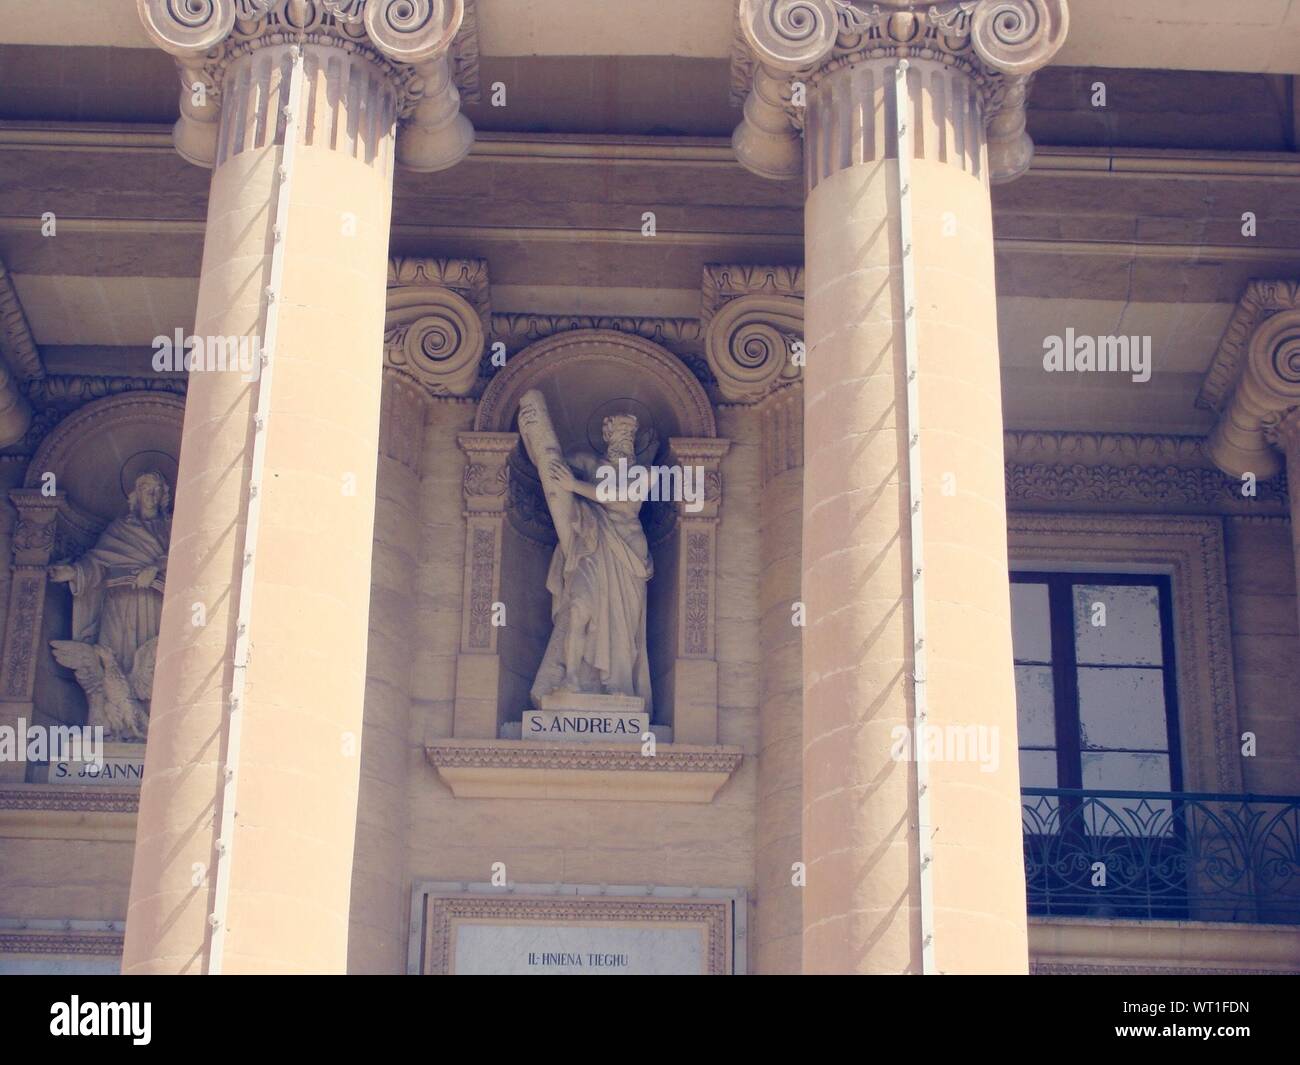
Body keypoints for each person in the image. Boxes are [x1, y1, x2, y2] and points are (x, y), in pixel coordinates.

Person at [48, 471, 172, 683]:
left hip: (153, 598)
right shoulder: (120, 527)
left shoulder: (172, 527)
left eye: (157, 489)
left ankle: (149, 708)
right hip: (117, 599)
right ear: (136, 493)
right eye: (146, 488)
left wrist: (155, 567)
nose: (152, 494)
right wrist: (74, 572)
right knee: (112, 656)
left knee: (149, 657)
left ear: (163, 495)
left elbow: (184, 554)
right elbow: (98, 561)